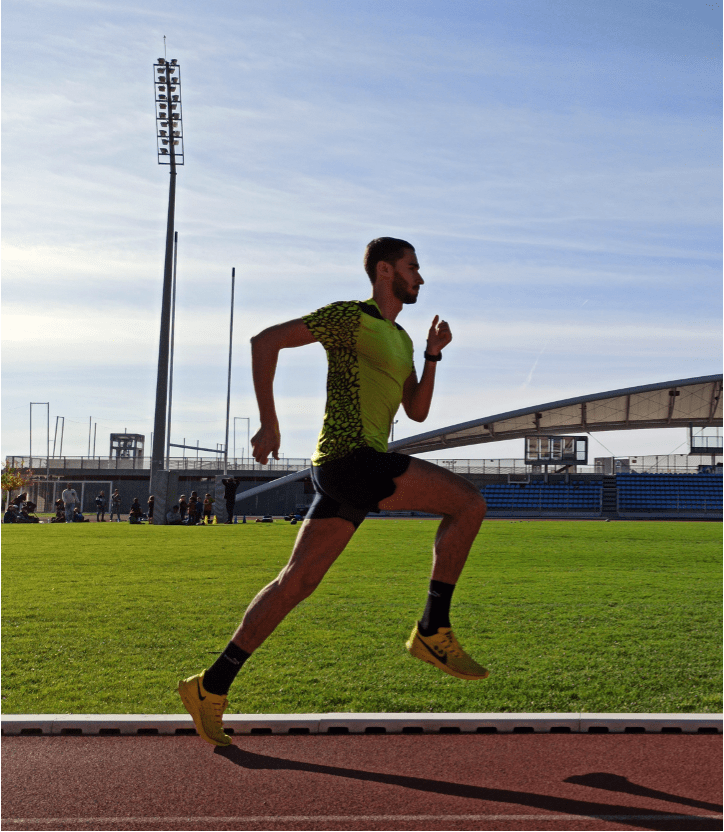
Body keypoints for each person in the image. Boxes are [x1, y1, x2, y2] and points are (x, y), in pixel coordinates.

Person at [178, 238, 488, 747]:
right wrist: (270, 424)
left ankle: (209, 687)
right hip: (352, 459)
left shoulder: (404, 339)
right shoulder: (349, 317)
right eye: (414, 267)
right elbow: (264, 342)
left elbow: (417, 411)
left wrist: (432, 356)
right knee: (469, 503)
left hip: (347, 473)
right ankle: (433, 629)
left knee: (295, 584)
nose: (422, 278)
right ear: (386, 271)